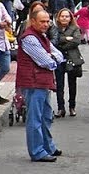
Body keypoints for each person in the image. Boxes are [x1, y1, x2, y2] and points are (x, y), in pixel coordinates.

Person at [17, 8, 64, 162]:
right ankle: (37, 152)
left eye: (47, 21)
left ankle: (48, 147)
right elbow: (46, 61)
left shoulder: (42, 36)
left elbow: (59, 55)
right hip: (33, 82)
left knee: (45, 117)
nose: (46, 24)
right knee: (35, 119)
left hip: (42, 82)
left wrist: (52, 58)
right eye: (42, 21)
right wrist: (52, 59)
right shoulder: (30, 38)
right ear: (33, 21)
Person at [48, 8, 84, 118]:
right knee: (59, 84)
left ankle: (72, 106)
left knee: (72, 83)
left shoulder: (75, 28)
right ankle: (60, 108)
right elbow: (54, 41)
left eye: (67, 16)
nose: (64, 18)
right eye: (62, 16)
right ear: (58, 17)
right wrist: (65, 39)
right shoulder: (54, 28)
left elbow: (76, 41)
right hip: (59, 59)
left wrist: (62, 44)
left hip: (72, 58)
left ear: (70, 18)